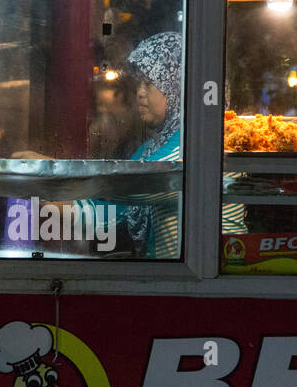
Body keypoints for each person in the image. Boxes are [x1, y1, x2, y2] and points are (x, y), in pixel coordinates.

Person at [89, 31, 245, 258]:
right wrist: (47, 201)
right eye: (139, 84)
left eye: (150, 83)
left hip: (215, 275)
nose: (140, 93)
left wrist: (59, 180)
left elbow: (137, 186)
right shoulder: (151, 149)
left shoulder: (198, 143)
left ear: (177, 86)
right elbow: (107, 210)